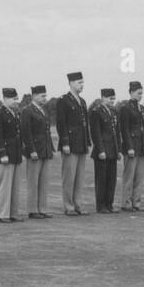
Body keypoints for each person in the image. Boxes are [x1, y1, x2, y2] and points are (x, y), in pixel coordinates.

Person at [56, 71, 91, 216]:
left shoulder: (82, 101)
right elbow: (61, 123)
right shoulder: (64, 101)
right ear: (70, 83)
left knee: (79, 177)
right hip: (70, 144)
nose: (82, 85)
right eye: (79, 82)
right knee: (69, 177)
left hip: (81, 143)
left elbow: (85, 123)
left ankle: (78, 204)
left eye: (82, 82)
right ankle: (69, 206)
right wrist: (65, 142)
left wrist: (87, 141)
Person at [19, 84, 55, 218]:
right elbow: (26, 133)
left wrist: (50, 149)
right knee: (33, 182)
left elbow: (47, 131)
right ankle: (33, 210)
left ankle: (42, 209)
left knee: (43, 182)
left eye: (45, 95)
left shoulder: (43, 110)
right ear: (34, 96)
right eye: (42, 96)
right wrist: (31, 150)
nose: (45, 98)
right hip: (35, 151)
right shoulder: (27, 111)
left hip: (45, 150)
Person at [0, 86, 24, 223]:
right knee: (5, 187)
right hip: (5, 156)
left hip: (15, 155)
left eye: (17, 98)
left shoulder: (15, 114)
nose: (17, 101)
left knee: (15, 187)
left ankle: (13, 213)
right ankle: (3, 214)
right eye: (14, 98)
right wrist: (2, 153)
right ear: (5, 99)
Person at [118, 81, 144, 211]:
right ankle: (126, 202)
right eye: (138, 93)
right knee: (129, 177)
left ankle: (136, 202)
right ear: (131, 93)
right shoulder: (125, 108)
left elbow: (143, 129)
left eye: (141, 93)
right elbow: (125, 129)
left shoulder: (140, 108)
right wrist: (129, 146)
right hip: (131, 146)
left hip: (140, 146)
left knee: (139, 176)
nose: (140, 96)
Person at [90, 87, 119, 213]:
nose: (112, 101)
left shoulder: (112, 112)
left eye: (113, 98)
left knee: (111, 180)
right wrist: (100, 150)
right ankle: (101, 205)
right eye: (109, 98)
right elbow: (96, 132)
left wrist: (118, 151)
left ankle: (109, 204)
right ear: (103, 98)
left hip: (112, 150)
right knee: (101, 180)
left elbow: (116, 133)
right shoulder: (97, 112)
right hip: (102, 151)